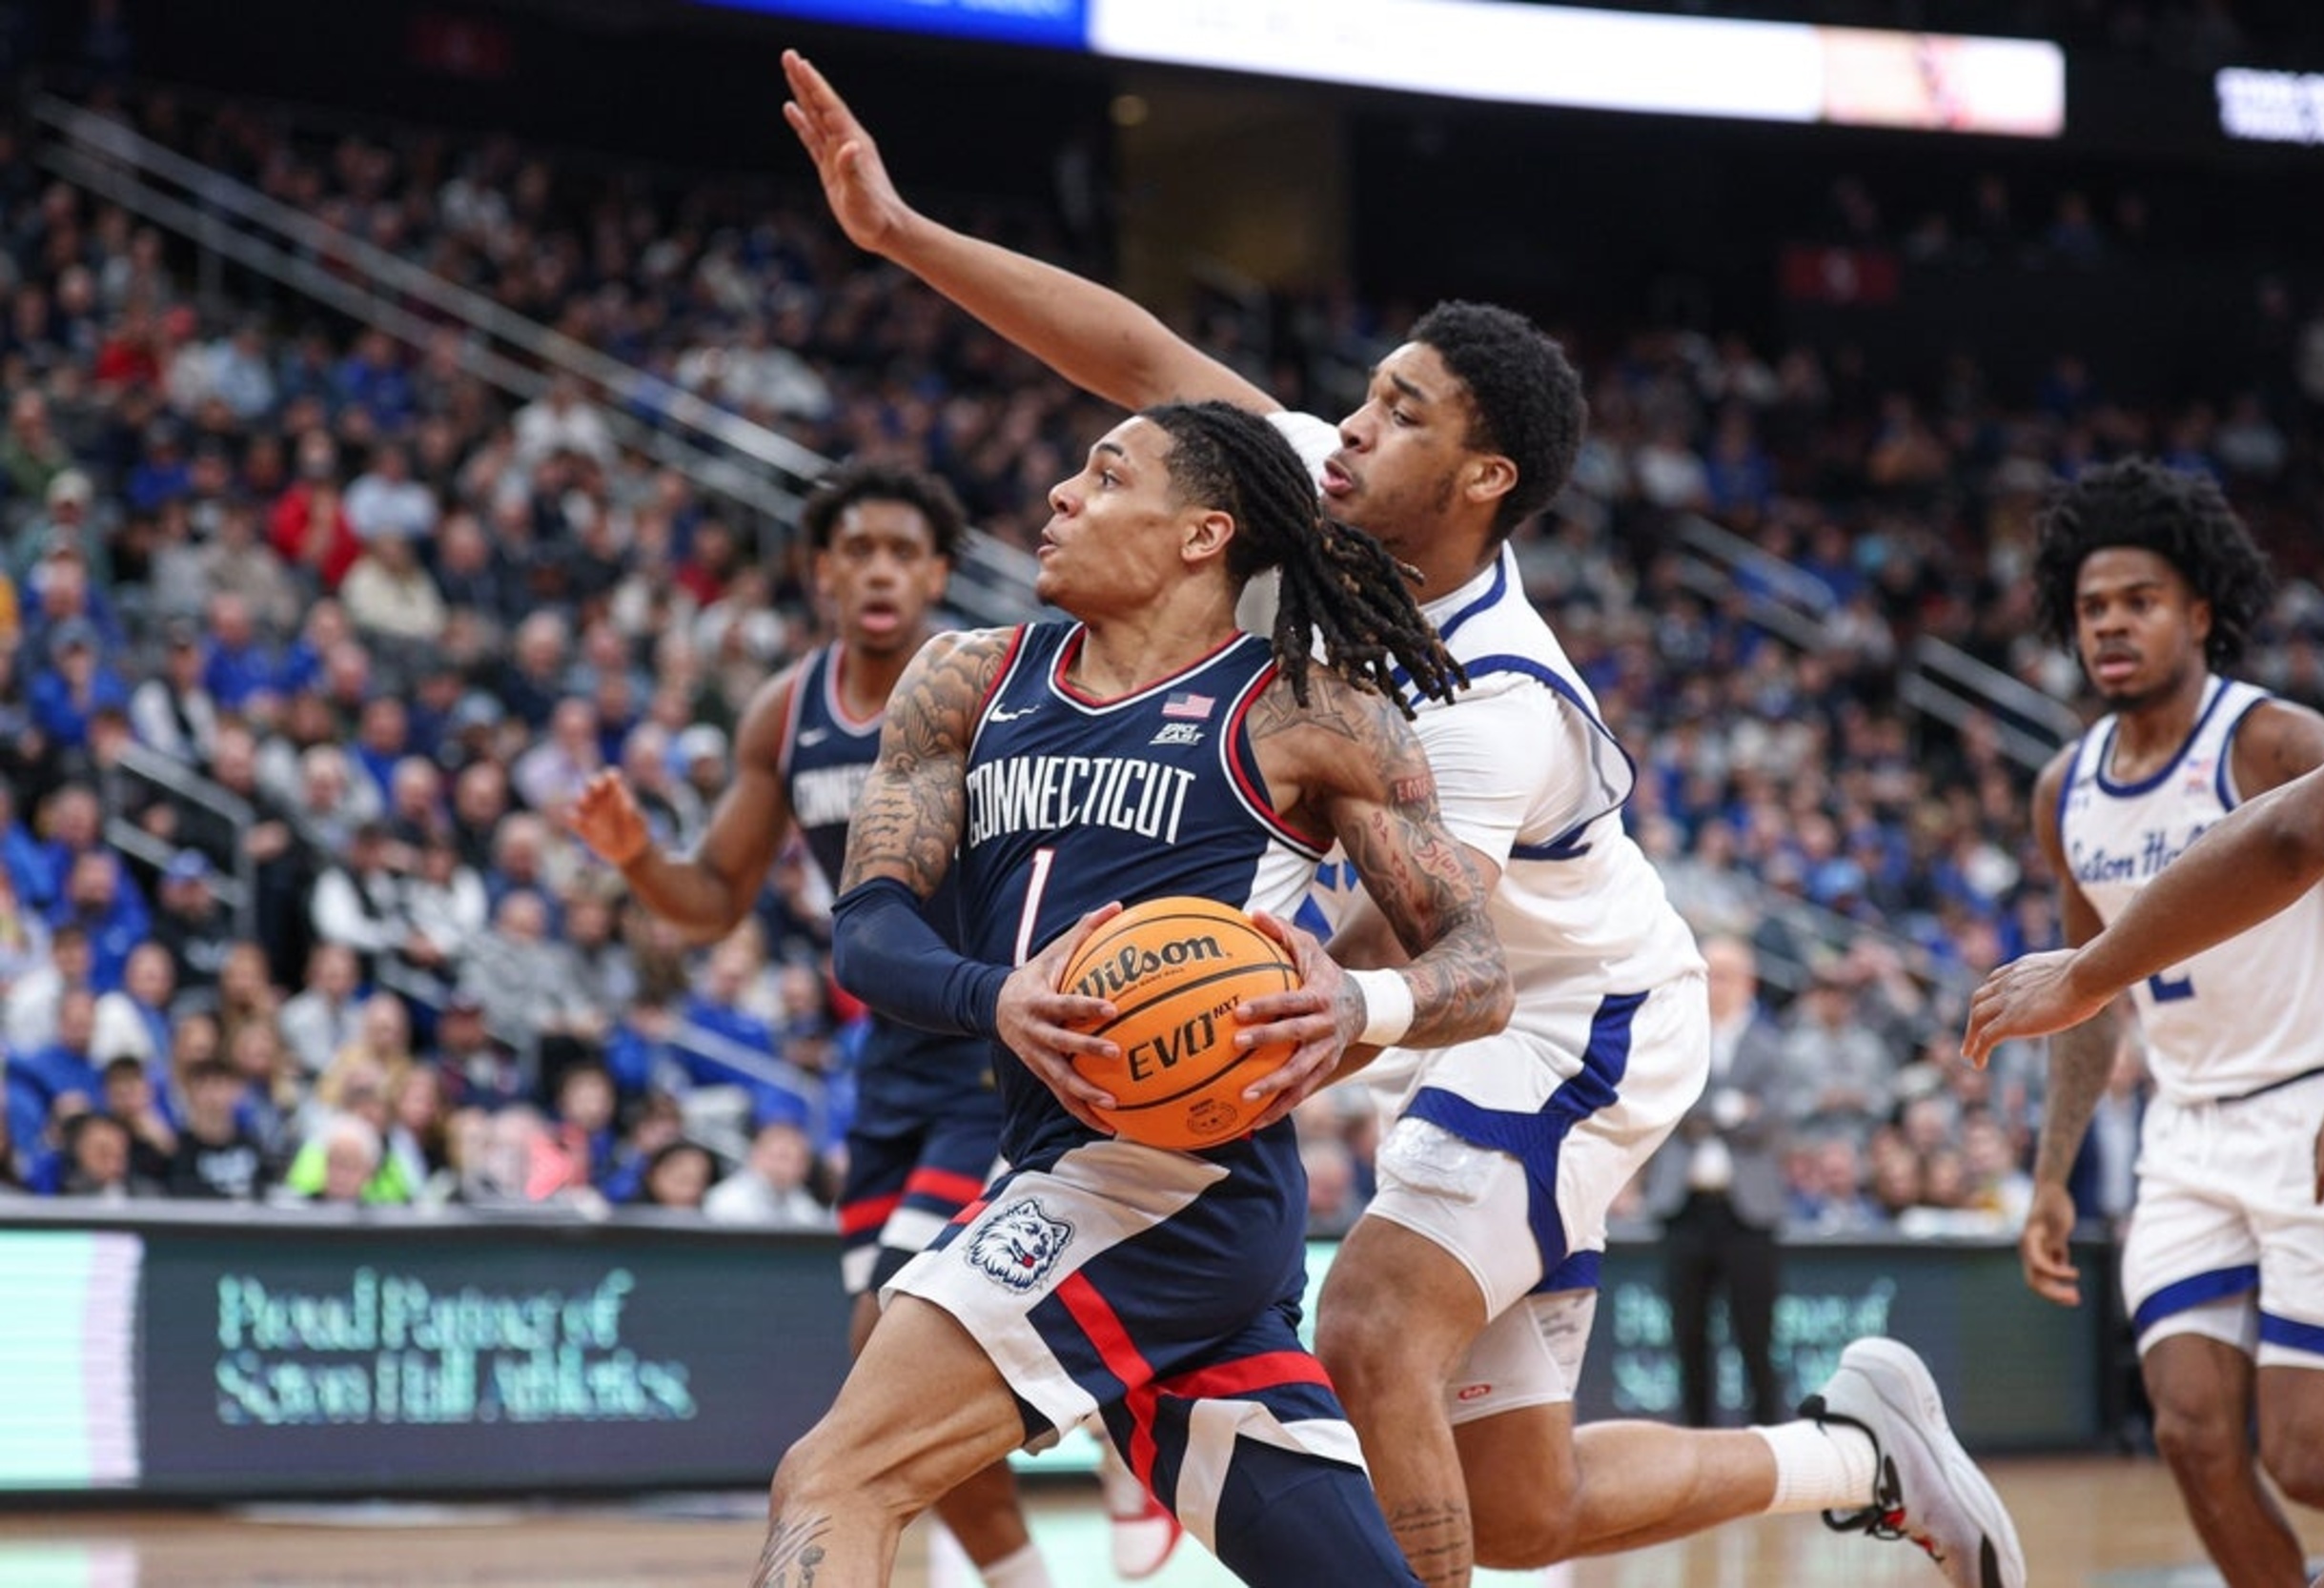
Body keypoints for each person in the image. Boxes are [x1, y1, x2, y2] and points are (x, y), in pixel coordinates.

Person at [781, 48, 2021, 1588]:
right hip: (1448, 986)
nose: (1352, 429)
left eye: (1400, 412)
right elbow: (1136, 349)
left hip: (1575, 1014)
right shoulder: (1320, 489)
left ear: (1484, 474)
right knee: (1520, 1508)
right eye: (1363, 398)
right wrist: (897, 230)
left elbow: (1405, 949)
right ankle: (1862, 1454)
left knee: (1368, 1322)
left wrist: (1196, 1017)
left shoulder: (1497, 697)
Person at [753, 399, 1510, 1588]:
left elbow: (1478, 968)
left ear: (1203, 534)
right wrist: (994, 994)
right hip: (1093, 1172)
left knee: (834, 1474)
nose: (1059, 495)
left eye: (1103, 477)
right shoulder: (965, 680)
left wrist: (1361, 1008)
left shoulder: (1305, 712)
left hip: (1159, 1181)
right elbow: (868, 934)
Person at [570, 464, 1061, 1588]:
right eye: (858, 549)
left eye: (903, 549)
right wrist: (636, 856)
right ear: (821, 570)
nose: (880, 567)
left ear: (938, 573)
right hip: (884, 1062)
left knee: (888, 1338)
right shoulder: (784, 712)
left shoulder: (990, 684)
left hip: (992, 1054)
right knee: (908, 1368)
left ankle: (1112, 1413)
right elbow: (710, 903)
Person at [1966, 458, 2324, 1588]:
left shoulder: (2276, 742)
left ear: (2198, 612)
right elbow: (2087, 997)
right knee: (2192, 1437)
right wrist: (2049, 1173)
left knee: (2311, 1456)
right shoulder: (2066, 788)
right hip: (2184, 1132)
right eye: (2092, 606)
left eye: (2138, 601)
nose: (2111, 624)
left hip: (2313, 1109)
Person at [1640, 934, 1790, 1427]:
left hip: (1748, 1213)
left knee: (1755, 1336)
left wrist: (1710, 1114)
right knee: (1688, 1337)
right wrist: (1731, 1109)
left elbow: (1771, 1118)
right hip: (1685, 1208)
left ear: (1747, 982)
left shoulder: (1769, 1046)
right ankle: (1696, 1446)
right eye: (1706, 974)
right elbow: (1667, 1105)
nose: (1712, 985)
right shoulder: (1676, 1038)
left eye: (1723, 974)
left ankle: (1770, 1446)